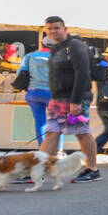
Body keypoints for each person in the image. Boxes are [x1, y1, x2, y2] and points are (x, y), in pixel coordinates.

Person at [39, 15, 100, 182]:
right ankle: (38, 170)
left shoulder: (75, 46)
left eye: (56, 28)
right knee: (51, 133)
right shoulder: (56, 48)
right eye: (50, 28)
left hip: (75, 97)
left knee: (82, 133)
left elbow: (82, 74)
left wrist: (76, 100)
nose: (53, 31)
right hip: (57, 98)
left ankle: (93, 169)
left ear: (65, 29)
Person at [12, 36, 53, 147]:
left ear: (41, 44)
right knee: (56, 123)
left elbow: (20, 73)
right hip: (53, 93)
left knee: (40, 122)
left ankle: (42, 149)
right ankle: (58, 150)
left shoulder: (29, 56)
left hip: (34, 93)